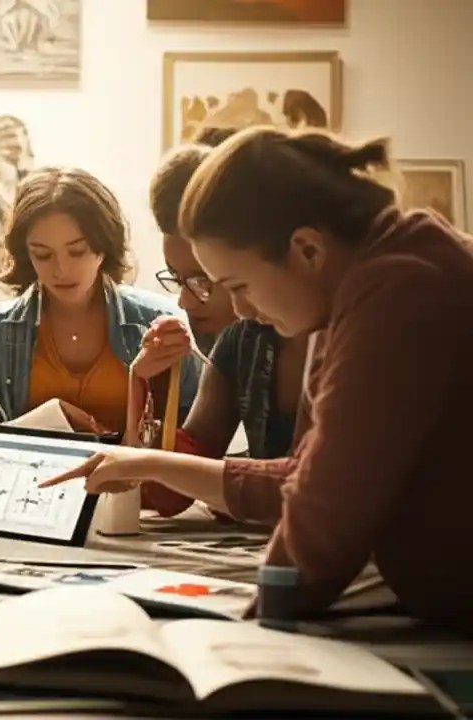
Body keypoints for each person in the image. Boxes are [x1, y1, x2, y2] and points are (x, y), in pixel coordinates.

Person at [43, 127, 473, 632]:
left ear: (307, 250)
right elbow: (306, 477)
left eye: (238, 286)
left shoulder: (400, 290)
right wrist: (152, 461)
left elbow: (323, 515)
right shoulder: (359, 285)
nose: (242, 310)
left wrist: (252, 632)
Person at [139, 131, 309, 517]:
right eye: (176, 279)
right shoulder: (240, 342)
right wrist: (149, 386)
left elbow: (319, 490)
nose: (183, 300)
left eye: (202, 280)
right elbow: (168, 494)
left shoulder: (346, 332)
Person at [0, 167, 200, 436]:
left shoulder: (157, 322)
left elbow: (190, 442)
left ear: (103, 244)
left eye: (76, 251)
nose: (60, 270)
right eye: (43, 255)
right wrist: (50, 417)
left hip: (133, 478)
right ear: (26, 255)